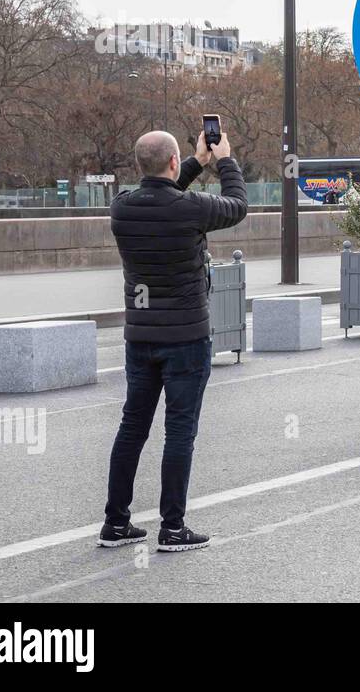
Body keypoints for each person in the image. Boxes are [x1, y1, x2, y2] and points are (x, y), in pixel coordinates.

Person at [99, 127, 248, 552]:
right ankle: (172, 527)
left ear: (137, 166)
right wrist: (223, 161)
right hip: (186, 337)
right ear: (170, 163)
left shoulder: (122, 209)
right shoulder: (192, 209)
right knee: (179, 431)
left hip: (139, 338)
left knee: (132, 427)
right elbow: (237, 205)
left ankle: (116, 523)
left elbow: (160, 195)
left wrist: (195, 164)